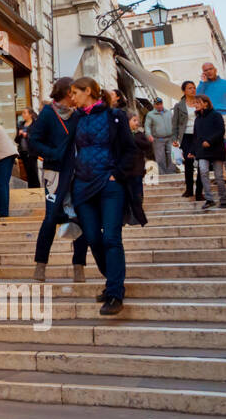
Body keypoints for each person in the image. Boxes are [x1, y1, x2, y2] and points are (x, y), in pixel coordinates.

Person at [57, 77, 145, 316]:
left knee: (111, 238)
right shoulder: (76, 118)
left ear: (89, 92)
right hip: (82, 188)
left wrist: (117, 174)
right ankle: (113, 279)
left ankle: (115, 292)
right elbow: (65, 149)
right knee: (94, 238)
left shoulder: (114, 117)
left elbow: (130, 150)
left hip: (110, 186)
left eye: (75, 92)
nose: (72, 97)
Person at [28, 78, 89, 284]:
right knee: (51, 217)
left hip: (78, 173)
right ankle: (40, 266)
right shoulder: (47, 114)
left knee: (81, 218)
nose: (74, 97)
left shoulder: (79, 115)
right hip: (54, 174)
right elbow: (32, 141)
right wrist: (53, 154)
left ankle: (79, 266)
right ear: (64, 94)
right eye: (71, 93)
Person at [197, 63, 226, 175]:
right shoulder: (203, 85)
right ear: (203, 72)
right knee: (216, 147)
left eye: (210, 69)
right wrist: (202, 83)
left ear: (215, 69)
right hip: (211, 116)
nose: (209, 71)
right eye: (206, 70)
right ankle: (222, 176)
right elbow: (197, 98)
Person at [190, 95, 226, 210]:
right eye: (194, 103)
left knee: (219, 176)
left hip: (216, 149)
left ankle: (223, 200)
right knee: (203, 171)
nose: (195, 105)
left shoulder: (216, 115)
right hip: (202, 151)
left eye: (197, 102)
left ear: (205, 103)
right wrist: (192, 151)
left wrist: (210, 141)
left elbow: (221, 131)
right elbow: (195, 136)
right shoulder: (197, 119)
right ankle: (209, 199)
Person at [171, 80, 202, 199]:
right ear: (184, 91)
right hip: (186, 136)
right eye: (189, 88)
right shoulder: (179, 105)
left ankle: (199, 191)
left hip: (199, 135)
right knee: (188, 163)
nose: (193, 90)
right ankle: (189, 189)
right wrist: (174, 138)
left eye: (194, 87)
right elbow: (175, 124)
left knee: (201, 162)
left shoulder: (199, 102)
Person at [0, 113, 19, 219]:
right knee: (3, 184)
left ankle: (3, 211)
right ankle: (3, 210)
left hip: (4, 156)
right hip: (7, 154)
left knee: (1, 183)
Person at [144, 97, 176, 174]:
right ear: (154, 105)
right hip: (158, 139)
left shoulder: (168, 112)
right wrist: (149, 135)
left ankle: (171, 173)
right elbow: (147, 126)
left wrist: (175, 136)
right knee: (160, 158)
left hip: (169, 138)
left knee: (171, 156)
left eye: (160, 104)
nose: (159, 106)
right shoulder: (150, 115)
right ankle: (163, 174)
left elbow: (174, 124)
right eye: (157, 104)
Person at [15, 108, 40, 189]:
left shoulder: (35, 124)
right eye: (22, 113)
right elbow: (16, 140)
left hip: (32, 152)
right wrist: (19, 135)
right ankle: (30, 190)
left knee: (33, 171)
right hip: (23, 152)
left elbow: (37, 137)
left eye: (25, 113)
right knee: (27, 172)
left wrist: (27, 135)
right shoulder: (21, 124)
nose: (23, 114)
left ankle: (36, 189)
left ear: (30, 114)